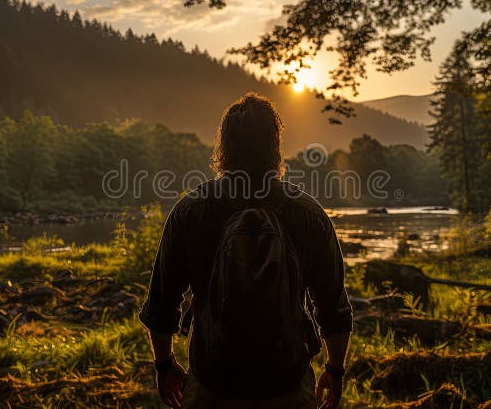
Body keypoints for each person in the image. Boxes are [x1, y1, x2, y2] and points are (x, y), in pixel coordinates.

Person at [139, 92, 353, 408]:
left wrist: (164, 365)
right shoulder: (309, 214)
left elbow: (161, 305)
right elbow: (334, 309)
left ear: (224, 147)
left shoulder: (191, 211)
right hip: (288, 387)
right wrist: (335, 371)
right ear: (275, 147)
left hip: (213, 385)